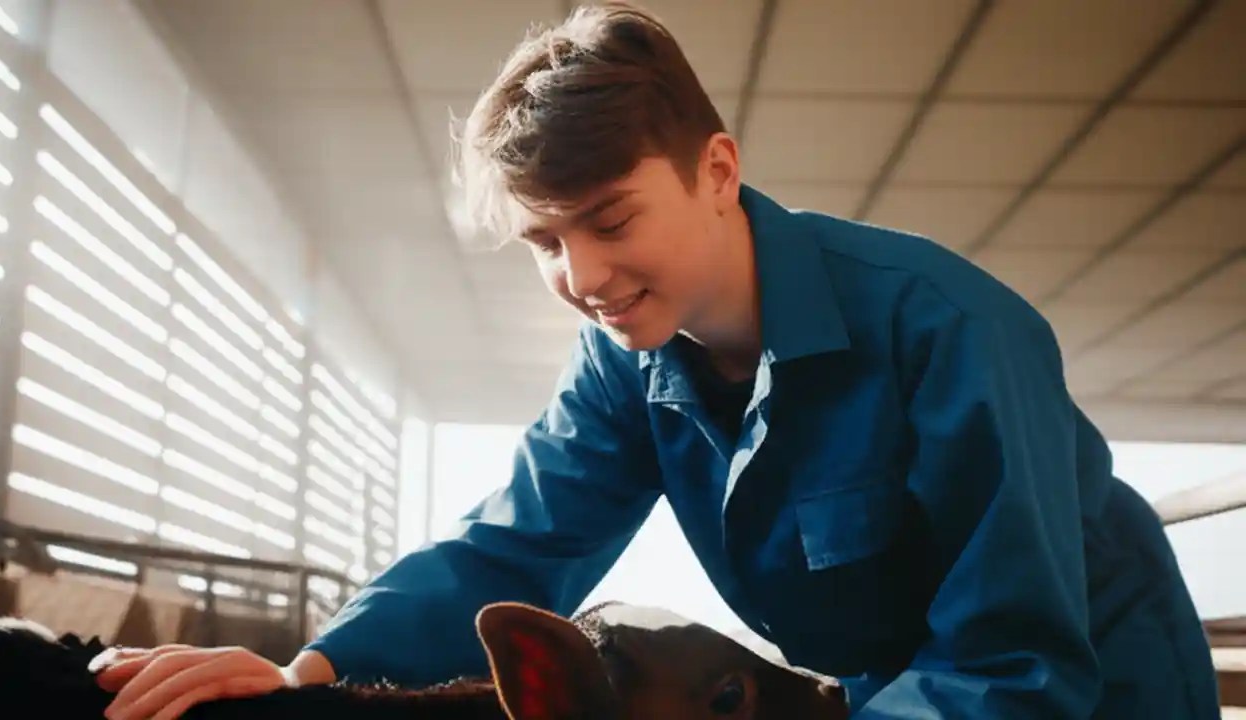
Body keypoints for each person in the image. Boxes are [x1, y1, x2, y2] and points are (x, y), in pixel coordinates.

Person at [91, 3, 1221, 719]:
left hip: (1093, 694)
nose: (581, 274)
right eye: (545, 242)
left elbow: (1013, 662)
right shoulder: (622, 364)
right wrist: (307, 676)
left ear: (716, 171)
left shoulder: (947, 326)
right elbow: (514, 548)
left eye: (610, 219)